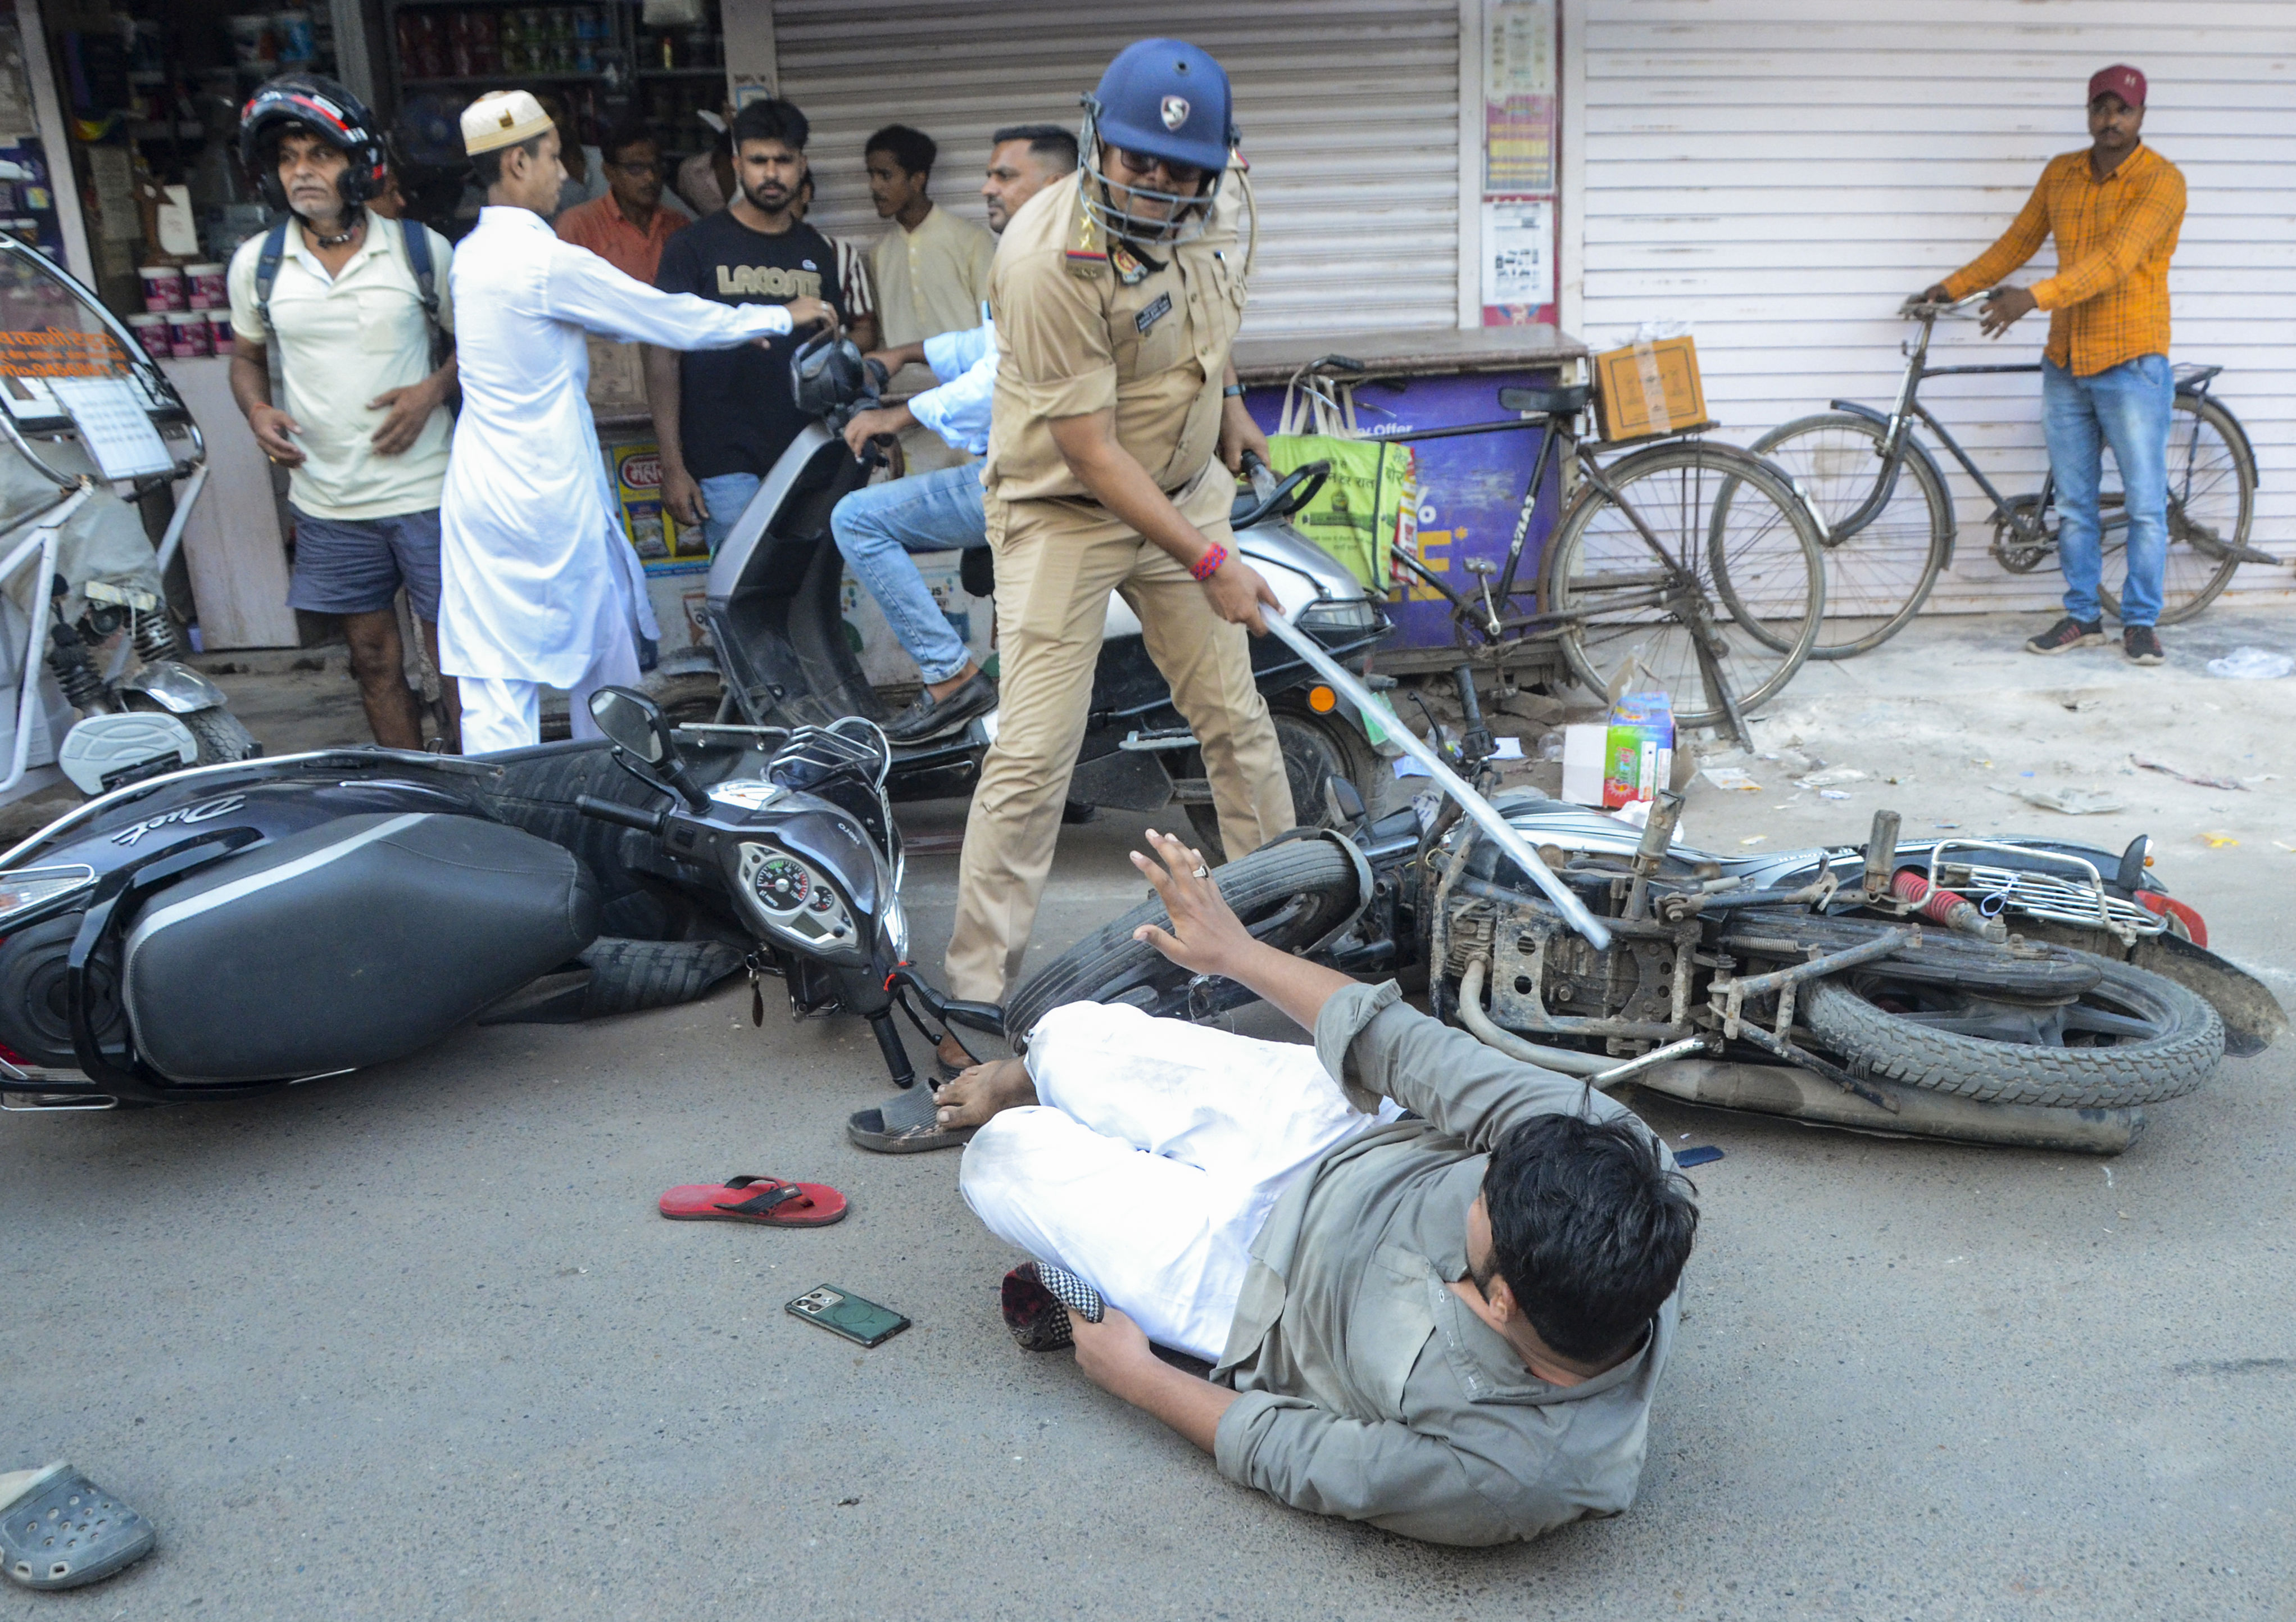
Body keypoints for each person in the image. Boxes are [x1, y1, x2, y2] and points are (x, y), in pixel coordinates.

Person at [936, 827, 1698, 1546]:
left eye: (1480, 1206)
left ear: (1499, 1303)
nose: (1480, 1184)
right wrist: (1235, 952)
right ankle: (1038, 1077)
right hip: (1343, 1139)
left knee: (999, 1159)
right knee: (1066, 1037)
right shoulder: (1610, 1152)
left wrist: (1138, 1377)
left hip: (1254, 1299)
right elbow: (1400, 1045)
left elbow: (1291, 1452)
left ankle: (1056, 1114)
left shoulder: (1513, 1475)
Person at [942, 39, 1294, 1020]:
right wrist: (1210, 559)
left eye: (1180, 171)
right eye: (1137, 160)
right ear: (1099, 141)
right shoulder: (1043, 259)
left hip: (1184, 489)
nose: (1154, 183)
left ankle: (1289, 942)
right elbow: (1091, 453)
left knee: (1236, 724)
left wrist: (1229, 403)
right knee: (1032, 758)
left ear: (1213, 170)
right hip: (1063, 511)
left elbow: (1210, 309)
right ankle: (973, 1004)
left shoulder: (1226, 201)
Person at [439, 90, 834, 754]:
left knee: (498, 680)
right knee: (603, 662)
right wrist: (775, 315)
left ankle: (504, 801)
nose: (564, 174)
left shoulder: (471, 255)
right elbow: (663, 317)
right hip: (543, 492)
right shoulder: (542, 262)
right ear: (517, 163)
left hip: (482, 489)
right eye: (553, 158)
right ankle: (613, 783)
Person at [1919, 64, 2186, 667]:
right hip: (2066, 360)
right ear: (2088, 112)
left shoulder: (2162, 181)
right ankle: (2083, 616)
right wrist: (1952, 287)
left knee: (2145, 506)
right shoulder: (2061, 173)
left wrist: (2031, 298)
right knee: (2073, 503)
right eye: (2101, 108)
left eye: (2123, 110)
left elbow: (2115, 261)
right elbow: (2018, 242)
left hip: (2132, 361)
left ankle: (2140, 622)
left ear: (2142, 116)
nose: (2110, 120)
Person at [228, 74, 462, 750]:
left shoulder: (421, 250)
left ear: (358, 165)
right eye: (288, 159)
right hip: (329, 502)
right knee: (373, 661)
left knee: (456, 658)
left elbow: (479, 347)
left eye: (320, 155)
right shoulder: (258, 265)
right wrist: (257, 411)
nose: (302, 172)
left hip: (429, 492)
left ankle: (472, 786)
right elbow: (245, 358)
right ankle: (409, 789)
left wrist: (431, 390)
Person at [827, 124, 1077, 744]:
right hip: (1030, 466)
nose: (987, 188)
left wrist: (899, 415)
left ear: (1056, 185)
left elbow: (1005, 373)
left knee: (857, 519)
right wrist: (903, 353)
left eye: (1004, 176)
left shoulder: (1056, 264)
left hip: (1035, 476)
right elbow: (988, 343)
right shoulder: (1036, 253)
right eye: (989, 175)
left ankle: (948, 676)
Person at [648, 97, 851, 555]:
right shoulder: (694, 246)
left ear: (802, 165)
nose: (772, 174)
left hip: (806, 457)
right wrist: (672, 466)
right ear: (738, 164)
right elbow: (663, 356)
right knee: (741, 590)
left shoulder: (816, 250)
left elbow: (832, 351)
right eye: (759, 161)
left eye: (784, 160)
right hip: (723, 463)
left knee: (805, 586)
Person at [865, 123, 994, 348]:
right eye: (872, 175)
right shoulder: (880, 253)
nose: (875, 186)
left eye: (885, 176)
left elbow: (992, 323)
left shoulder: (971, 240)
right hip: (901, 371)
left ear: (917, 180)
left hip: (966, 370)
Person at [555, 120, 690, 284]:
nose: (651, 178)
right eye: (636, 169)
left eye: (656, 167)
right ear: (610, 173)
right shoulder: (578, 225)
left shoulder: (677, 223)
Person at [793, 171, 878, 353]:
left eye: (787, 193)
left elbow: (866, 332)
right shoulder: (747, 253)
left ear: (805, 193)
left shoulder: (840, 254)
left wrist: (824, 353)